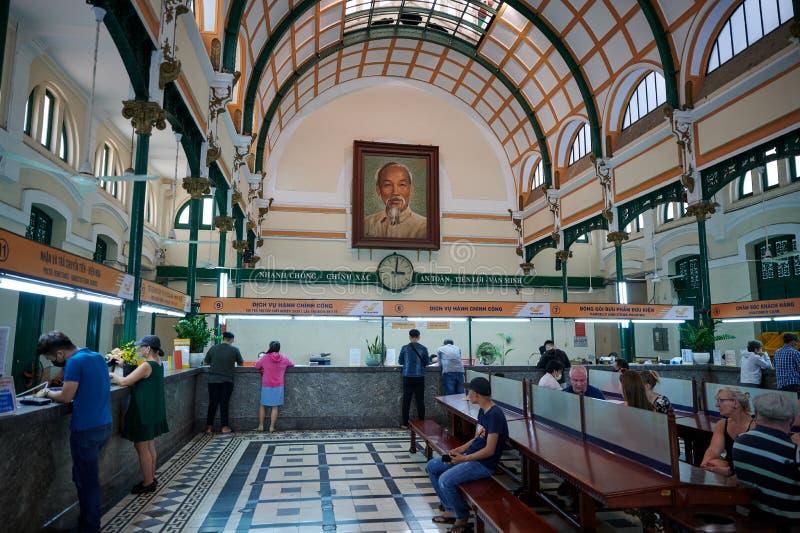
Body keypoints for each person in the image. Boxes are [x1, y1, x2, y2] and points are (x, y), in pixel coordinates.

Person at [34, 332, 112, 533]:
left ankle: (89, 528)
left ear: (60, 353)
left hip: (86, 430)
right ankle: (88, 523)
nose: (52, 361)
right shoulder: (97, 357)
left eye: (50, 358)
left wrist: (47, 392)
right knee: (89, 480)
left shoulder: (74, 363)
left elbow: (66, 397)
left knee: (86, 483)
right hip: (104, 425)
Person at [427, 377, 509, 533]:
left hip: (483, 464)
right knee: (432, 466)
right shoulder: (483, 411)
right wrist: (460, 449)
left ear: (476, 394)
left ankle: (462, 517)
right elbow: (477, 438)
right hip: (471, 456)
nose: (467, 394)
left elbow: (490, 450)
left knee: (445, 480)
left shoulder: (495, 415)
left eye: (469, 391)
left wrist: (463, 459)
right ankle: (450, 509)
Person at [109, 335, 169, 494]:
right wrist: (125, 364)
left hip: (142, 411)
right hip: (152, 410)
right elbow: (141, 374)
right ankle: (151, 477)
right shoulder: (158, 363)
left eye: (141, 347)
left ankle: (148, 482)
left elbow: (125, 381)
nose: (139, 350)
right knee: (149, 445)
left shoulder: (147, 365)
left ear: (148, 349)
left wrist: (111, 374)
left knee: (141, 446)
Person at [732, 393, 800, 526]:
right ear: (792, 421)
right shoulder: (794, 452)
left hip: (754, 517)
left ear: (756, 414)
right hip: (789, 524)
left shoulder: (740, 441)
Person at [363, 162, 427, 239]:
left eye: (402, 185)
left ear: (411, 190)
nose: (395, 192)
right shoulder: (366, 224)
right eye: (388, 185)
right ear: (378, 190)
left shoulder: (424, 226)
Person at [700, 387, 753, 477]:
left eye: (721, 400)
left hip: (747, 474)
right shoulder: (721, 425)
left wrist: (731, 473)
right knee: (716, 463)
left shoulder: (754, 428)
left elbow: (754, 462)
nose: (717, 405)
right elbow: (713, 450)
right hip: (728, 469)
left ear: (735, 403)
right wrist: (706, 464)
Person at [203, 331, 244, 434]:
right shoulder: (234, 350)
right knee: (224, 404)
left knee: (212, 403)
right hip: (227, 381)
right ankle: (224, 427)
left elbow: (206, 362)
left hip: (213, 381)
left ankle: (208, 427)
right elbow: (241, 363)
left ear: (223, 338)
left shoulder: (213, 348)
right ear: (232, 339)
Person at [254, 341, 294, 432]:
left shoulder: (265, 357)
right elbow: (292, 364)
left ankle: (261, 426)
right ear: (279, 348)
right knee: (275, 407)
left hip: (266, 384)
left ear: (270, 347)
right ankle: (271, 427)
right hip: (278, 385)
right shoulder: (284, 357)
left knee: (262, 405)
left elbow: (257, 366)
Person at [398, 329, 430, 429]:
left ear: (409, 337)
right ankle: (421, 424)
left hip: (407, 377)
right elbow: (427, 362)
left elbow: (400, 361)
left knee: (406, 401)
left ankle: (405, 424)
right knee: (420, 401)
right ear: (419, 337)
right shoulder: (423, 348)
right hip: (419, 377)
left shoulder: (404, 348)